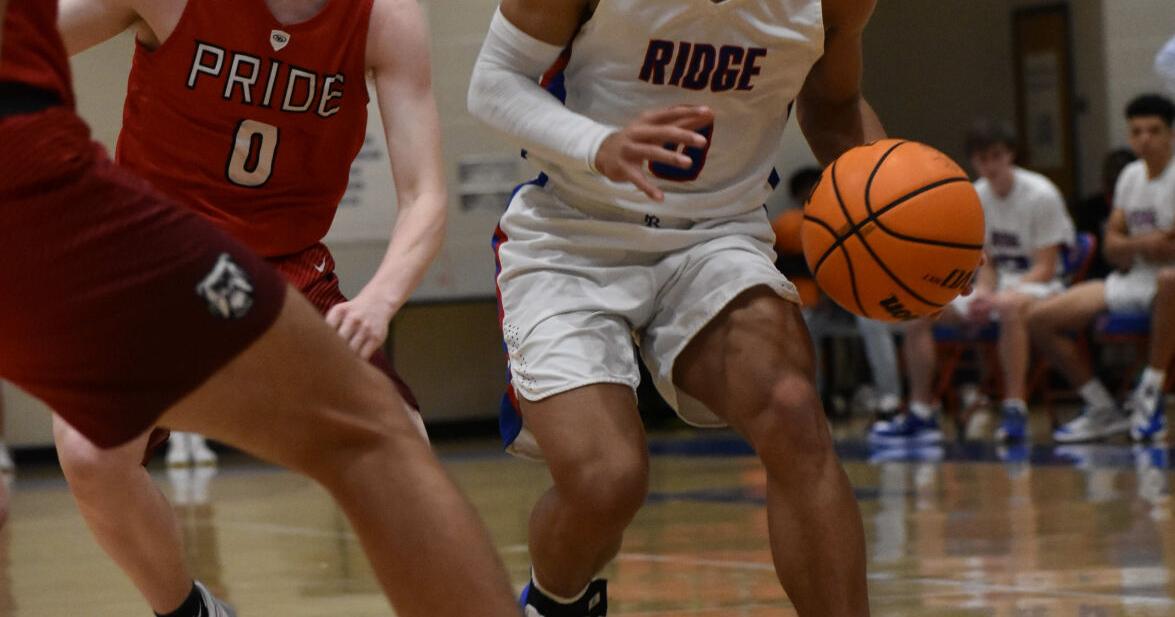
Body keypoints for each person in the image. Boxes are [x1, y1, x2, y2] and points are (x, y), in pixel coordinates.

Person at [0, 1, 521, 616]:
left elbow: (425, 196)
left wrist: (380, 299)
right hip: (162, 260)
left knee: (403, 440)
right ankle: (189, 612)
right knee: (90, 453)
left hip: (290, 265)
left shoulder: (385, 16)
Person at [468, 1, 886, 615]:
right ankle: (557, 603)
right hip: (574, 236)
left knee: (793, 412)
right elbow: (493, 82)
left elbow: (833, 103)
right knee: (606, 481)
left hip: (717, 234)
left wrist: (894, 200)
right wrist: (598, 143)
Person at [875, 120, 1075, 444]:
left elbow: (1046, 267)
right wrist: (983, 292)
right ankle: (921, 411)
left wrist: (1001, 295)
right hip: (998, 287)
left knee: (1009, 307)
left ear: (1010, 154)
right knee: (921, 310)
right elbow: (987, 263)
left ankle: (1014, 408)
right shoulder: (974, 195)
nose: (990, 165)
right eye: (982, 159)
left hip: (1043, 288)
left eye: (996, 155)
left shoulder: (1041, 194)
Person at [1029, 94, 1175, 443]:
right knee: (1038, 318)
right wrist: (1145, 243)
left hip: (1170, 281)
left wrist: (1134, 244)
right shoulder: (1128, 175)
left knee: (1169, 278)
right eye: (1136, 131)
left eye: (1153, 130)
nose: (1144, 139)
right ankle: (1102, 407)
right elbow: (1111, 246)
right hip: (1135, 277)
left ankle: (1150, 393)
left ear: (1170, 134)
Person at [775, 168, 904, 420]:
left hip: (852, 298)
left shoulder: (850, 220)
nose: (810, 193)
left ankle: (889, 398)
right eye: (805, 190)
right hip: (818, 306)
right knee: (803, 323)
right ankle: (812, 399)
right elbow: (776, 264)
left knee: (873, 322)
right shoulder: (787, 225)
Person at [1072, 148, 1137, 280]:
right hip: (1101, 273)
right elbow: (1085, 252)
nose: (1116, 179)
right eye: (1111, 172)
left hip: (1139, 268)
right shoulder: (1090, 207)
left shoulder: (1142, 203)